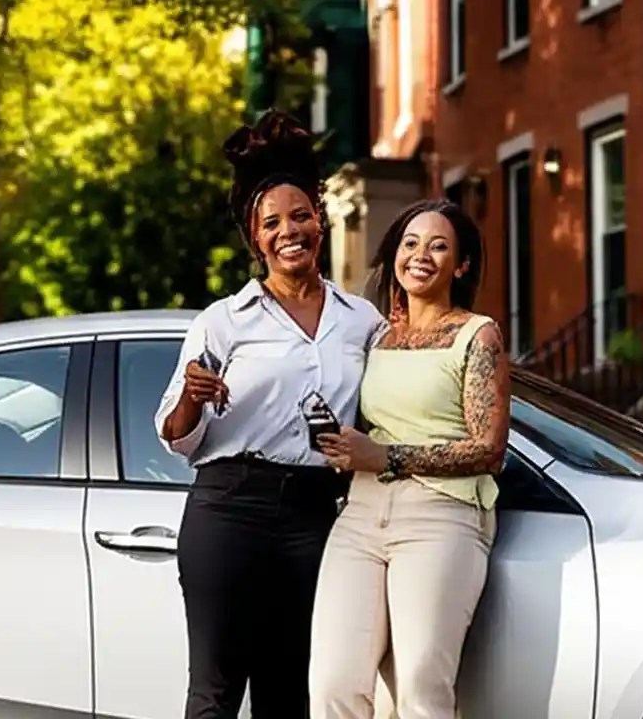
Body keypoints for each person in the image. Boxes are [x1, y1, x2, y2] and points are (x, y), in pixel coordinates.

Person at [154, 109, 384, 719]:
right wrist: (192, 397)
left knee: (291, 693)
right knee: (216, 692)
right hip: (230, 508)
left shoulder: (360, 320)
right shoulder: (224, 321)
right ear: (256, 238)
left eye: (301, 216)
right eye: (273, 222)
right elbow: (177, 436)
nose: (291, 231)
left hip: (315, 514)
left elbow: (389, 405)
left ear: (321, 221)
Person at [308, 199, 512, 719]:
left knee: (420, 689)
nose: (421, 255)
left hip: (441, 516)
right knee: (333, 684)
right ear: (395, 254)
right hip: (360, 514)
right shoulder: (380, 337)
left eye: (439, 245)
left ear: (460, 265)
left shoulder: (477, 334)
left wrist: (385, 455)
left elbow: (489, 450)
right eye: (411, 243)